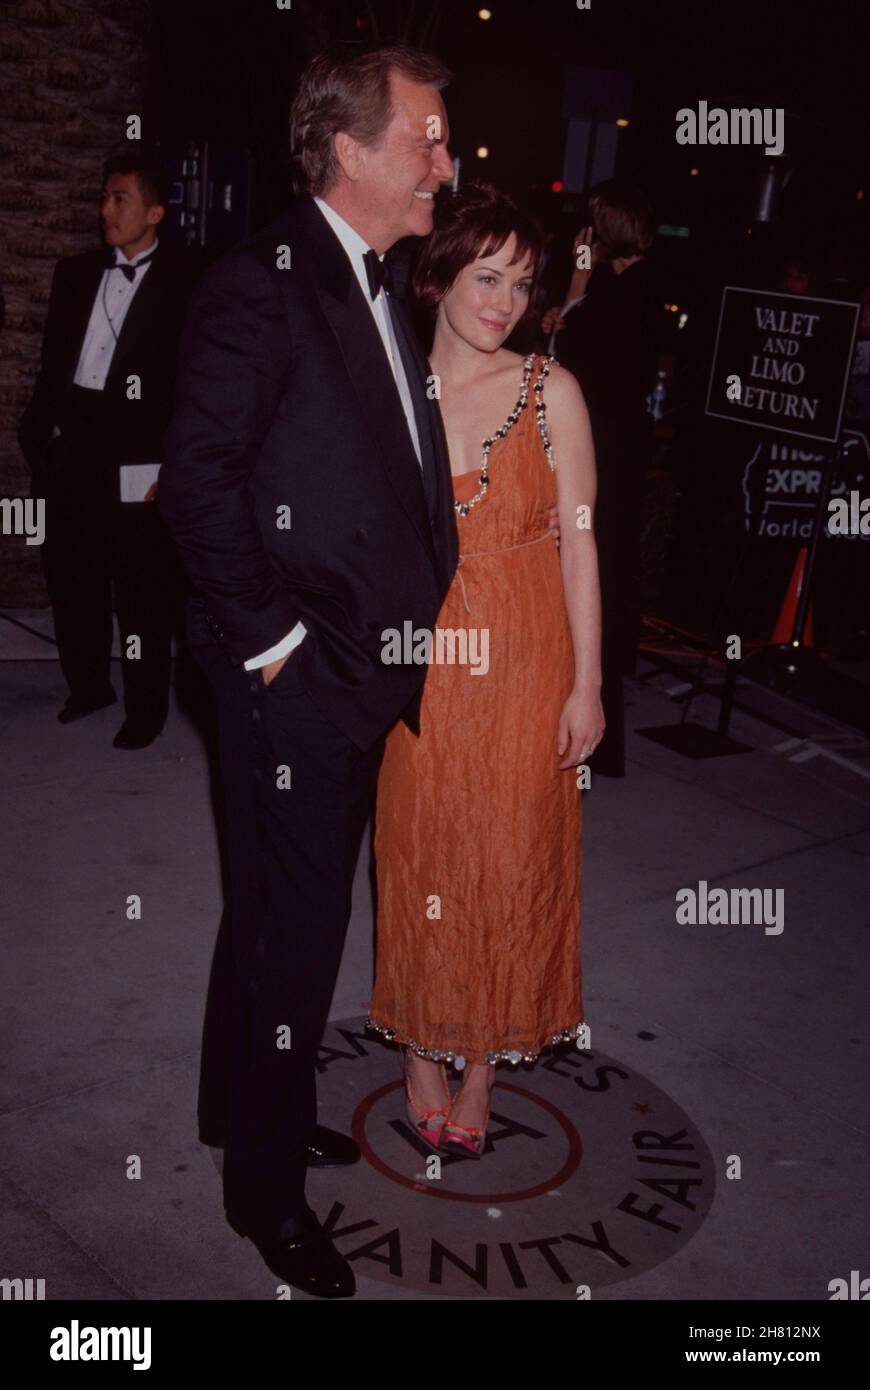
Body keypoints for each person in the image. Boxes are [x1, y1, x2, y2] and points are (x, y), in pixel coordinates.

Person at [158, 43, 457, 1297]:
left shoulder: (380, 280)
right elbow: (198, 485)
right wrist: (278, 648)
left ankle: (238, 1110)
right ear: (347, 150)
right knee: (298, 934)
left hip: (359, 670)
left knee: (271, 912)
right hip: (299, 679)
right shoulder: (260, 282)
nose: (445, 161)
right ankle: (266, 1191)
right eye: (426, 138)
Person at [368, 182, 603, 1154]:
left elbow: (580, 542)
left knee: (508, 857)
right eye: (487, 277)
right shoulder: (391, 387)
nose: (506, 302)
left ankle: (479, 1068)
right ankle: (421, 1045)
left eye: (522, 282)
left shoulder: (552, 390)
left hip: (526, 656)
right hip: (421, 657)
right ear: (437, 278)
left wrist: (588, 684)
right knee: (420, 848)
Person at [18, 155, 191, 748]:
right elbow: (53, 365)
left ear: (155, 212)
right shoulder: (74, 273)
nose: (105, 211)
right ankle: (88, 686)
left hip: (139, 454)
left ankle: (145, 711)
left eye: (120, 199)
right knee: (72, 578)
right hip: (70, 447)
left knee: (141, 591)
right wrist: (39, 436)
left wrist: (172, 464)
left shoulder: (186, 282)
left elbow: (192, 382)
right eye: (104, 198)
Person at [542, 180, 658, 777]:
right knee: (607, 581)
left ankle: (594, 736)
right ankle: (597, 733)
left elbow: (561, 363)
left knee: (594, 583)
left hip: (601, 456)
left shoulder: (619, 292)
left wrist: (576, 288)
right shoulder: (639, 287)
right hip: (621, 455)